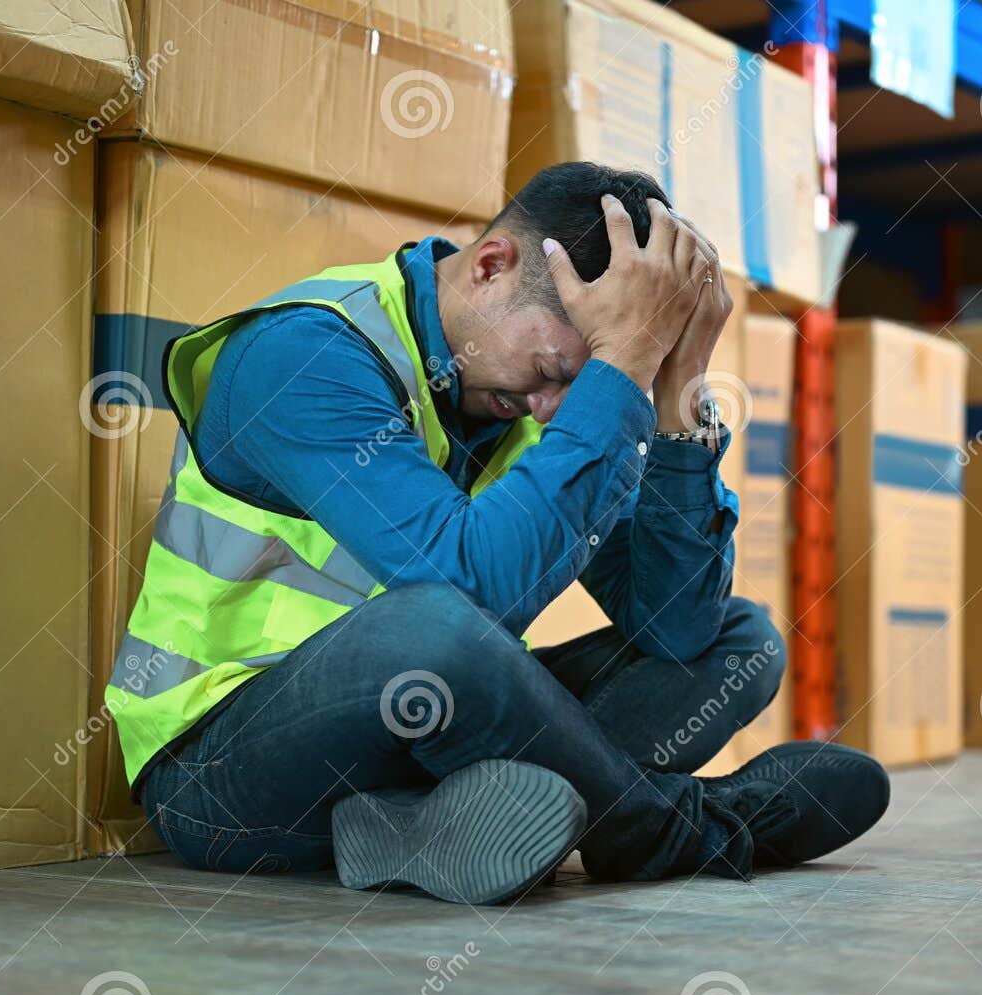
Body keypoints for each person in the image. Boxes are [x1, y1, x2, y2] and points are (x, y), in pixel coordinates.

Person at [105, 161, 889, 904]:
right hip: (220, 770)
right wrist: (618, 372)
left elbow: (676, 627)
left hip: (422, 731)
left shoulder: (520, 395)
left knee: (738, 640)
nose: (558, 406)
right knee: (436, 621)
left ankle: (416, 822)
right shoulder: (306, 354)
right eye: (555, 371)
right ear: (490, 266)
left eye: (589, 382)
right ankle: (675, 828)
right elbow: (466, 587)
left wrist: (679, 391)